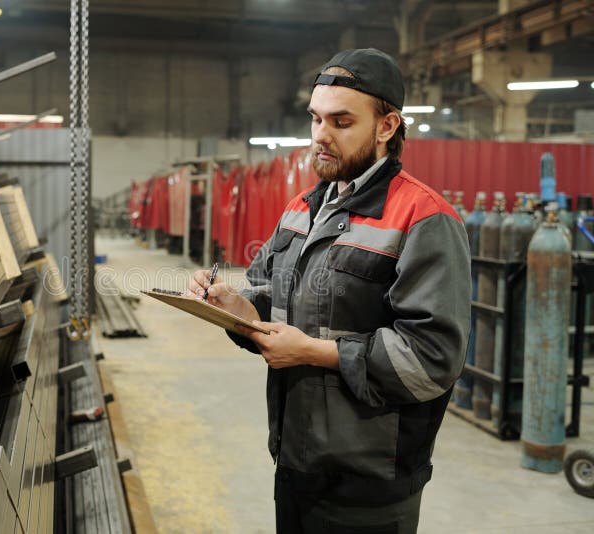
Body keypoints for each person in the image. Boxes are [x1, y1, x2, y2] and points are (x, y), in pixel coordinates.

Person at [189, 48, 471, 533]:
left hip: (368, 479)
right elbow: (270, 296)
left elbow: (432, 359)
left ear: (387, 127)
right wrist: (234, 304)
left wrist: (316, 353)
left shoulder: (423, 218)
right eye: (316, 119)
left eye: (341, 122)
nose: (321, 135)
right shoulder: (303, 207)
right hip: (296, 460)